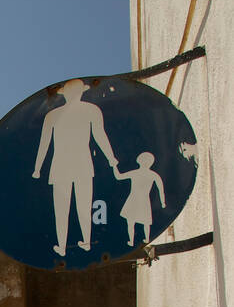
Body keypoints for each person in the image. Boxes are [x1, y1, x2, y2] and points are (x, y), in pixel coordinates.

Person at [32, 78, 119, 256]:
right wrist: (111, 159)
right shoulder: (90, 110)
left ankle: (63, 246)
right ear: (80, 92)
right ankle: (84, 242)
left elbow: (44, 145)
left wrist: (38, 168)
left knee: (63, 208)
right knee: (82, 205)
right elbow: (100, 137)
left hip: (63, 165)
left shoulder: (53, 115)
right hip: (81, 164)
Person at [114, 152, 166, 247]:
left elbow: (118, 176)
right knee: (144, 222)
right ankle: (145, 239)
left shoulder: (137, 173)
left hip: (135, 199)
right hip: (141, 200)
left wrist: (114, 166)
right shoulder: (153, 175)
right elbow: (160, 189)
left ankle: (133, 241)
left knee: (132, 222)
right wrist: (162, 202)